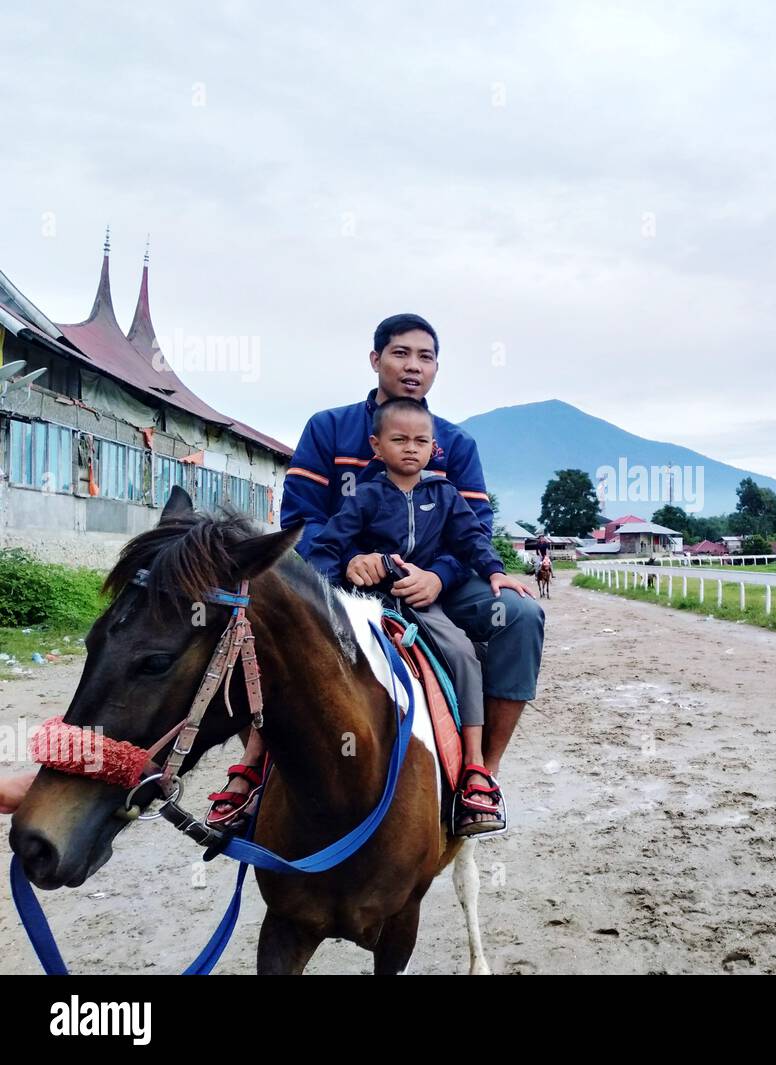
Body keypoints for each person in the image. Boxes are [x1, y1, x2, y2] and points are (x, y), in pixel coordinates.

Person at [210, 313, 545, 832]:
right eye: (401, 353)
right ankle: (254, 768)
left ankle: (480, 776)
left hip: (433, 584)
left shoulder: (453, 444)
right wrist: (345, 562)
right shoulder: (330, 428)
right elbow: (300, 521)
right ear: (375, 360)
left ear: (437, 368)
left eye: (426, 356)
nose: (413, 365)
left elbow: (473, 530)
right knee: (261, 627)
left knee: (520, 614)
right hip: (342, 580)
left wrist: (438, 577)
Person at [306, 397, 533, 835]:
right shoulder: (364, 495)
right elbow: (326, 546)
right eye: (399, 439)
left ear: (434, 448)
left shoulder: (445, 495)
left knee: (464, 654)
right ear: (376, 445)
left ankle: (474, 765)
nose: (411, 448)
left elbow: (471, 540)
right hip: (368, 602)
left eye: (421, 441)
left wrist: (497, 572)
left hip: (425, 603)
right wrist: (349, 566)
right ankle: (258, 765)